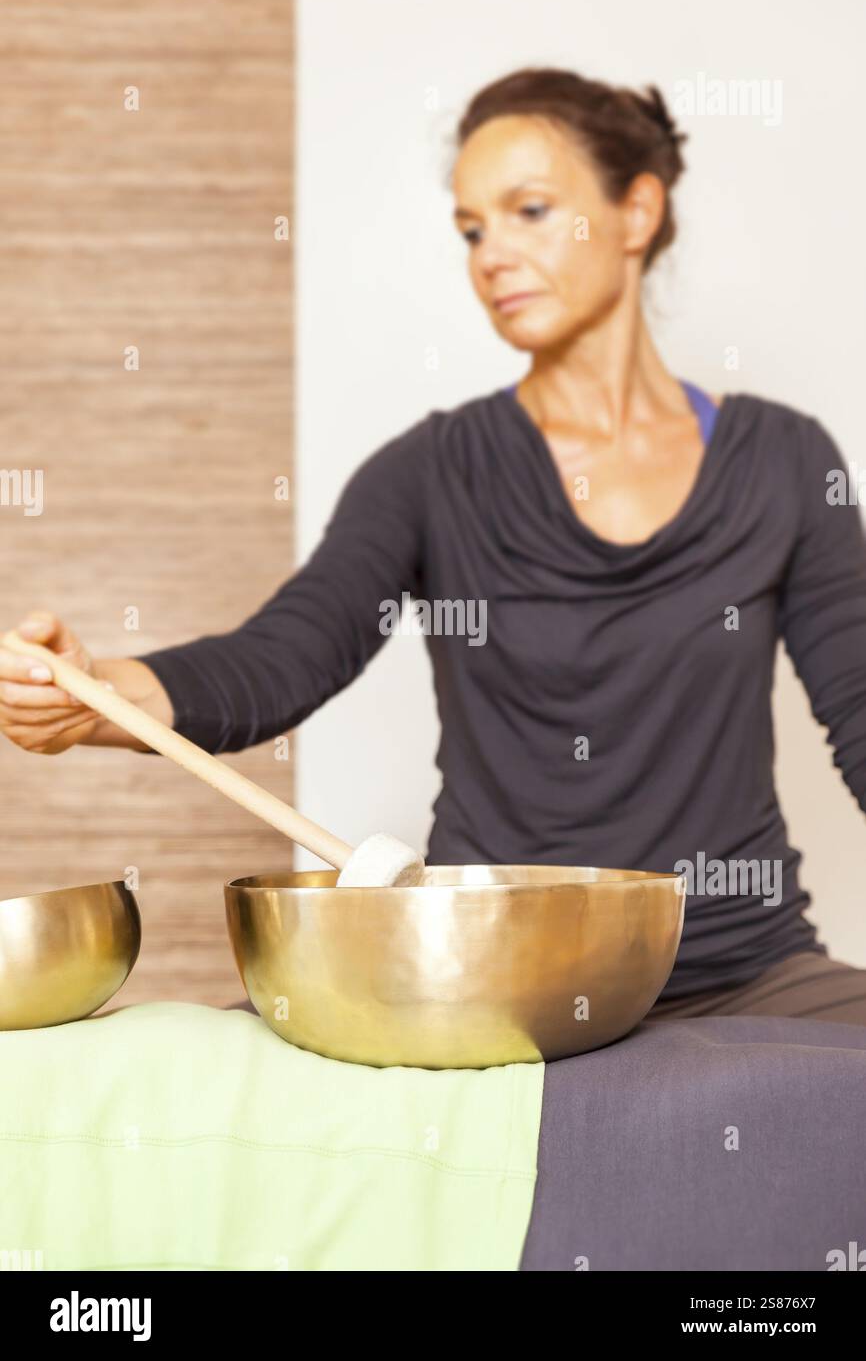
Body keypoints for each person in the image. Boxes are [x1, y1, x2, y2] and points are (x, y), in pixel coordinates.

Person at [3, 67, 866, 1024]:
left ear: (636, 212)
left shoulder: (787, 461)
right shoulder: (428, 471)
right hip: (487, 983)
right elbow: (283, 657)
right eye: (470, 229)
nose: (491, 255)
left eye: (529, 211)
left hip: (753, 976)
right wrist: (92, 694)